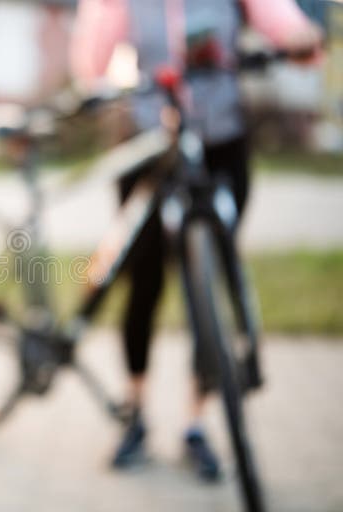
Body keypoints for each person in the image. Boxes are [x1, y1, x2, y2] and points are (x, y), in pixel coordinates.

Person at [69, 0, 323, 481]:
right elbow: (93, 58)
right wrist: (96, 74)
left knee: (207, 278)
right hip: (150, 139)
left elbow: (277, 16)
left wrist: (296, 37)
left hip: (220, 139)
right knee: (143, 280)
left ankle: (197, 422)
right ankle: (136, 412)